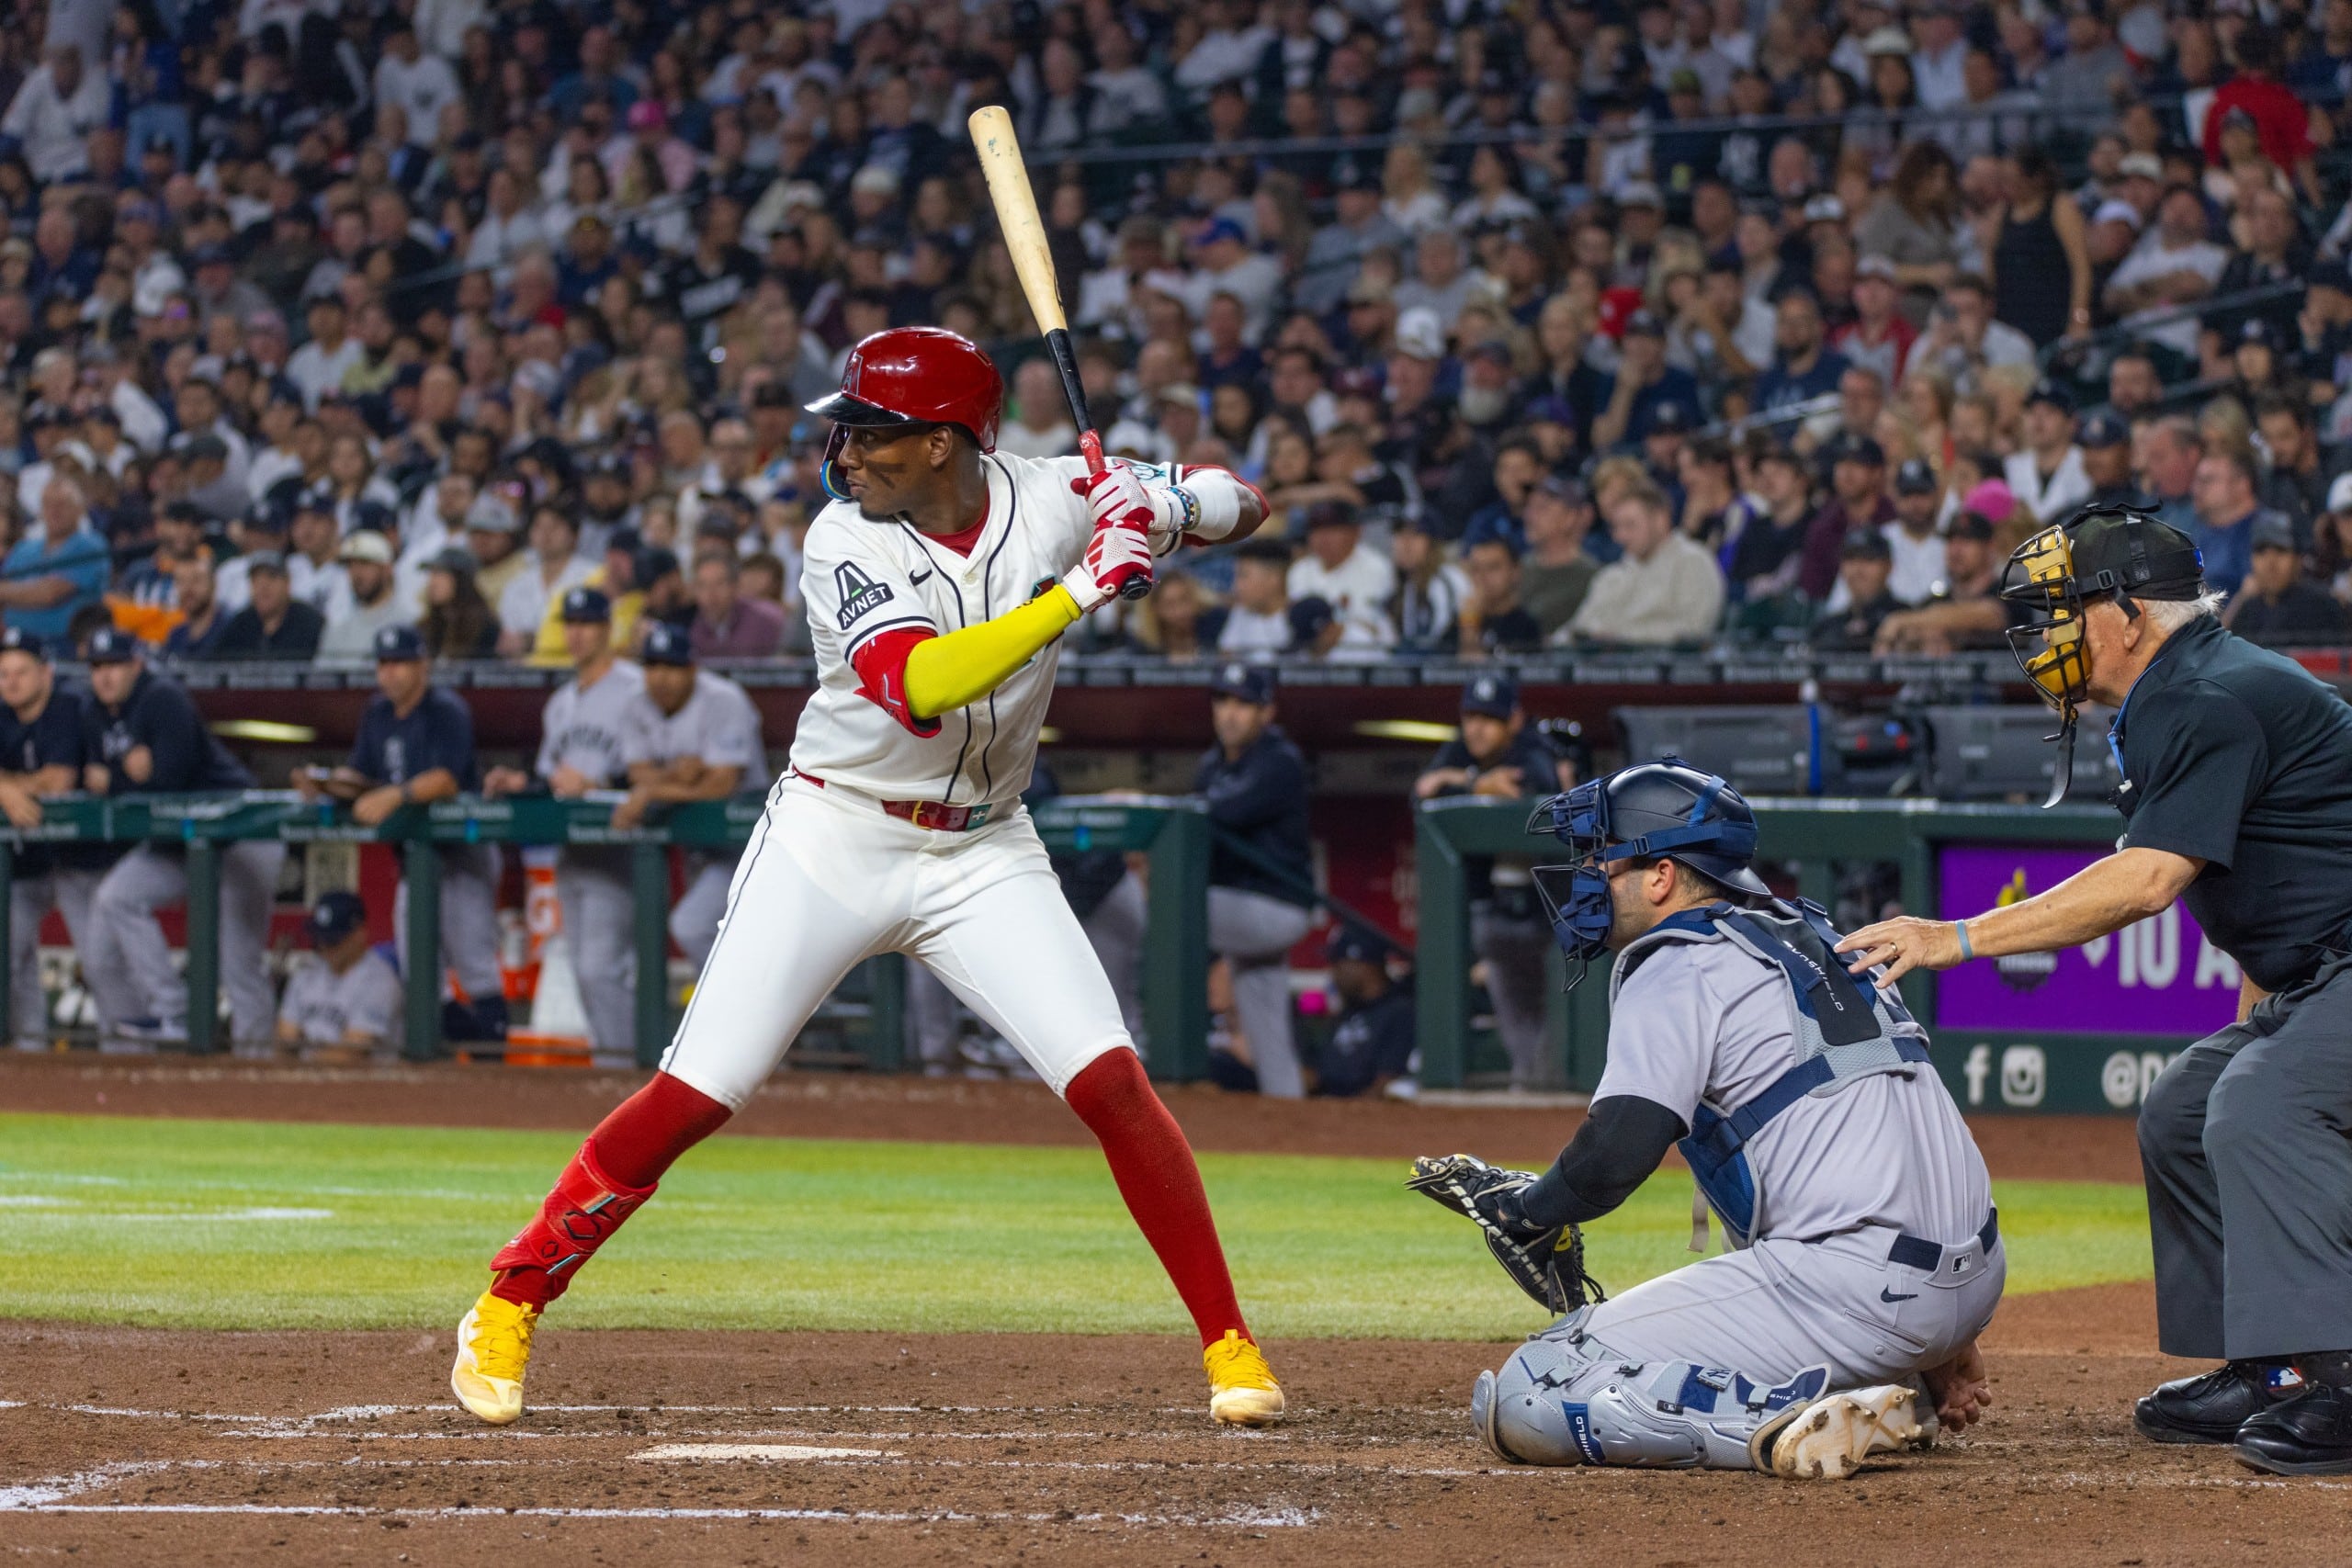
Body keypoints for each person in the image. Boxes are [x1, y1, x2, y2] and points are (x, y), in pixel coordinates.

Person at [453, 328, 1284, 1433]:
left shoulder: (1054, 494)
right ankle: (511, 1296)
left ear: (943, 443)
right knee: (699, 1092)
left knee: (1111, 1085)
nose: (844, 453)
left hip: (983, 848)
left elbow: (1246, 503)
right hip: (836, 833)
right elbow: (921, 685)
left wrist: (1156, 502)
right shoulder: (841, 538)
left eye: (869, 432)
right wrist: (1084, 584)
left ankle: (1230, 1345)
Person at [1837, 512, 2352, 1476]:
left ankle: (2338, 1375)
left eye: (2064, 609)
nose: (2047, 634)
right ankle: (2269, 1364)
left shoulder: (2206, 695)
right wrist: (2263, 1040)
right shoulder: (2184, 689)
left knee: (2260, 1105)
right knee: (2188, 1106)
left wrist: (1953, 937)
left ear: (2128, 615)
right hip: (2321, 972)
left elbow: (2147, 881)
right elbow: (2272, 895)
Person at [1421, 760, 1999, 1478]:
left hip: (1861, 1287)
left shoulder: (1677, 959)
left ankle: (1772, 1422)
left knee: (1530, 1388)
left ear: (1661, 876)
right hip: (1970, 1281)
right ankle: (1891, 1382)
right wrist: (1945, 1332)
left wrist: (1527, 1210)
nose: (1589, 875)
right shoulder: (1820, 937)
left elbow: (1617, 1151)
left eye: (1603, 858)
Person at [298, 626, 505, 1046]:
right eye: (383, 664)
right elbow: (361, 773)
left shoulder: (446, 710)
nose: (389, 673)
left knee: (475, 967)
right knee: (419, 971)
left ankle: (492, 1061)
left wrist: (396, 794)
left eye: (399, 663)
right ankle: (451, 1057)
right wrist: (327, 782)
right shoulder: (377, 713)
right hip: (414, 860)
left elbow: (447, 779)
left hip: (462, 856)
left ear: (422, 665)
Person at [78, 630, 285, 1053]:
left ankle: (256, 1065)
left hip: (240, 834)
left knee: (238, 963)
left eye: (114, 665)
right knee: (116, 897)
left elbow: (168, 783)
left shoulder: (162, 697)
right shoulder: (94, 711)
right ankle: (173, 1010)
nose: (105, 676)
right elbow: (95, 778)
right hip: (179, 844)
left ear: (136, 665)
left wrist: (118, 780)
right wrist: (126, 776)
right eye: (97, 667)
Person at [481, 588, 646, 1066]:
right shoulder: (559, 703)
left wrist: (599, 783)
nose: (576, 634)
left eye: (587, 624)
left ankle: (629, 1068)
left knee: (601, 969)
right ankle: (611, 1063)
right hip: (572, 853)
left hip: (622, 848)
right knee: (581, 968)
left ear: (607, 629)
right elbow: (551, 776)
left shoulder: (635, 688)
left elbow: (651, 766)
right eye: (570, 624)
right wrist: (520, 783)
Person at [1413, 672, 1567, 1090]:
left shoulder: (1532, 749)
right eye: (1471, 717)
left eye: (1490, 719)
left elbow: (1534, 788)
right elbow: (1421, 793)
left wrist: (1454, 783)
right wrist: (1474, 783)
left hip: (1548, 912)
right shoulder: (1459, 750)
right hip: (1491, 909)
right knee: (1511, 1005)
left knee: (1554, 1008)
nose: (1477, 728)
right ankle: (1527, 1081)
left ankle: (1551, 1084)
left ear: (1514, 720)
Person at [615, 623, 765, 971]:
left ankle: (750, 999)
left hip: (748, 840)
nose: (661, 677)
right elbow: (637, 772)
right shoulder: (636, 702)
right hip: (700, 846)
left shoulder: (723, 698)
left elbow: (722, 784)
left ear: (692, 668)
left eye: (672, 666)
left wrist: (654, 789)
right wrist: (675, 774)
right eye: (652, 666)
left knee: (694, 927)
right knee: (719, 937)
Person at [1197, 662, 1315, 1101]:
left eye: (1243, 704)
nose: (1230, 713)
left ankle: (1164, 1056)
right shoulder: (1212, 764)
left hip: (1274, 905)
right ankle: (1287, 1107)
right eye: (1223, 701)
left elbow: (1220, 813)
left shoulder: (1279, 761)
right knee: (1264, 1011)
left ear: (1266, 713)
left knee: (1167, 911)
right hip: (1241, 906)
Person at [0, 629, 104, 1051]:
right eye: (4, 673)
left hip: (78, 858)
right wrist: (4, 790)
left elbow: (58, 782)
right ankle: (30, 1053)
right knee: (10, 959)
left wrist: (8, 787)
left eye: (21, 672)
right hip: (24, 864)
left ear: (46, 673)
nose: (11, 682)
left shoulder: (68, 707)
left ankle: (129, 1053)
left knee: (100, 961)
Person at [1566, 482, 1725, 646]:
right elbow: (1579, 628)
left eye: (1630, 525)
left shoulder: (1693, 562)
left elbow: (1693, 629)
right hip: (1601, 660)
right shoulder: (1614, 575)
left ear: (1660, 520)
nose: (1620, 536)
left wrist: (1621, 636)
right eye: (1616, 527)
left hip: (1662, 660)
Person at [275, 892, 403, 1064]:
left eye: (333, 940)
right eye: (320, 938)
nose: (324, 947)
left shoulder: (380, 981)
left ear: (360, 934)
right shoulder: (307, 973)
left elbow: (352, 1053)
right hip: (305, 1073)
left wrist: (299, 1068)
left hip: (360, 1079)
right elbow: (285, 1040)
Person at [0, 475, 109, 643]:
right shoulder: (23, 548)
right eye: (48, 504)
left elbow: (49, 594)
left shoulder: (90, 546)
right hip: (11, 640)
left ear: (79, 509)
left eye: (62, 505)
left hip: (64, 644)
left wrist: (10, 594)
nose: (54, 511)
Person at [1311, 926, 1416, 1099]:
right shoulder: (1348, 1010)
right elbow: (1317, 1074)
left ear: (1364, 966)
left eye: (1338, 964)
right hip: (1327, 1104)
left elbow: (1387, 1085)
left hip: (1367, 1111)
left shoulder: (1400, 1012)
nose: (1333, 973)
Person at [2224, 517, 2350, 649]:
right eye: (2261, 552)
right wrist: (2240, 599)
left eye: (2281, 550)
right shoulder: (2247, 610)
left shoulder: (2323, 605)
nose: (2270, 563)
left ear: (2298, 560)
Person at [210, 553, 325, 660]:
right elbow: (215, 665)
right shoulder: (241, 624)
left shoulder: (309, 622)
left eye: (271, 577)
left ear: (287, 583)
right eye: (256, 579)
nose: (263, 586)